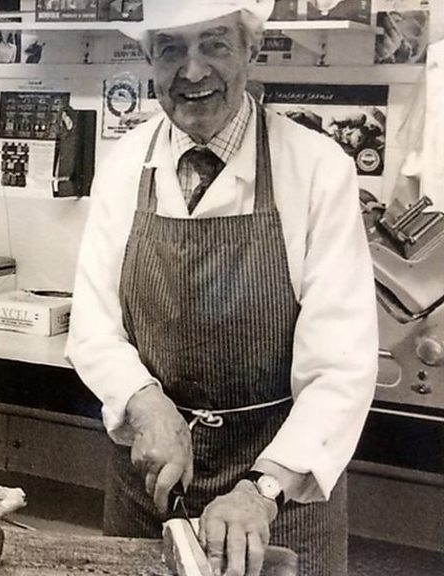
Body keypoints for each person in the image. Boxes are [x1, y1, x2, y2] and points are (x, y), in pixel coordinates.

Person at [65, 1, 378, 575]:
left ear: (252, 49)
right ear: (149, 58)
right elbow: (93, 327)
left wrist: (262, 488)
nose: (192, 72)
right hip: (150, 481)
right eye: (171, 49)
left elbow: (341, 367)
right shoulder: (123, 162)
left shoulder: (315, 168)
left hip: (281, 490)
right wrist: (145, 402)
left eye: (214, 44)